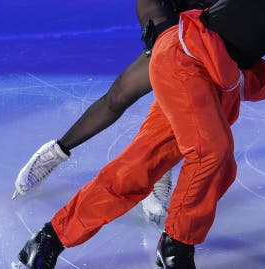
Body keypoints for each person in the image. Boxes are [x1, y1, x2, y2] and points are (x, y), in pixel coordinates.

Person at [15, 0, 265, 269]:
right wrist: (164, 34)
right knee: (212, 151)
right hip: (185, 55)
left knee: (138, 168)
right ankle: (178, 245)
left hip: (220, 78)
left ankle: (47, 241)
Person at [13, 0, 197, 224]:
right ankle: (53, 154)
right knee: (119, 96)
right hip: (167, 18)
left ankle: (160, 167)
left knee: (183, 93)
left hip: (211, 25)